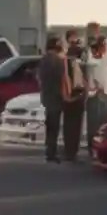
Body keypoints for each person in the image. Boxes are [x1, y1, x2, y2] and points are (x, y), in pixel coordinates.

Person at [37, 35, 68, 164]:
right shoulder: (58, 61)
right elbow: (63, 78)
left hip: (47, 95)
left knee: (50, 124)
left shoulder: (43, 60)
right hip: (56, 96)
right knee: (54, 125)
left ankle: (49, 150)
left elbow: (39, 77)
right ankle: (52, 152)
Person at [84, 35, 107, 153]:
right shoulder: (92, 62)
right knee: (94, 123)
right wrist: (96, 88)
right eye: (104, 45)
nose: (106, 48)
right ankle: (92, 148)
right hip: (96, 95)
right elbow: (90, 78)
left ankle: (106, 147)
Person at [61, 29, 87, 161]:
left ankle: (70, 150)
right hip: (75, 92)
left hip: (71, 92)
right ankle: (71, 150)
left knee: (70, 123)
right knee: (74, 123)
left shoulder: (65, 54)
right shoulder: (76, 53)